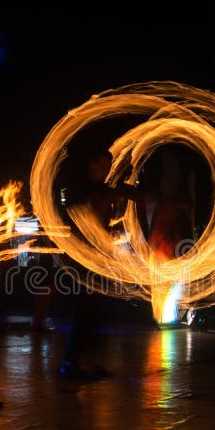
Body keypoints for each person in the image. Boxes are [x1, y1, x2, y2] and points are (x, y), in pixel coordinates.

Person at [59, 147, 140, 379]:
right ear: (91, 166)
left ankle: (88, 363)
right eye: (102, 166)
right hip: (87, 261)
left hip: (99, 259)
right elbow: (103, 201)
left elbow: (127, 197)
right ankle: (69, 363)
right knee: (86, 312)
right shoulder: (88, 190)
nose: (105, 171)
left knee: (97, 314)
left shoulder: (103, 189)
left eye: (108, 167)